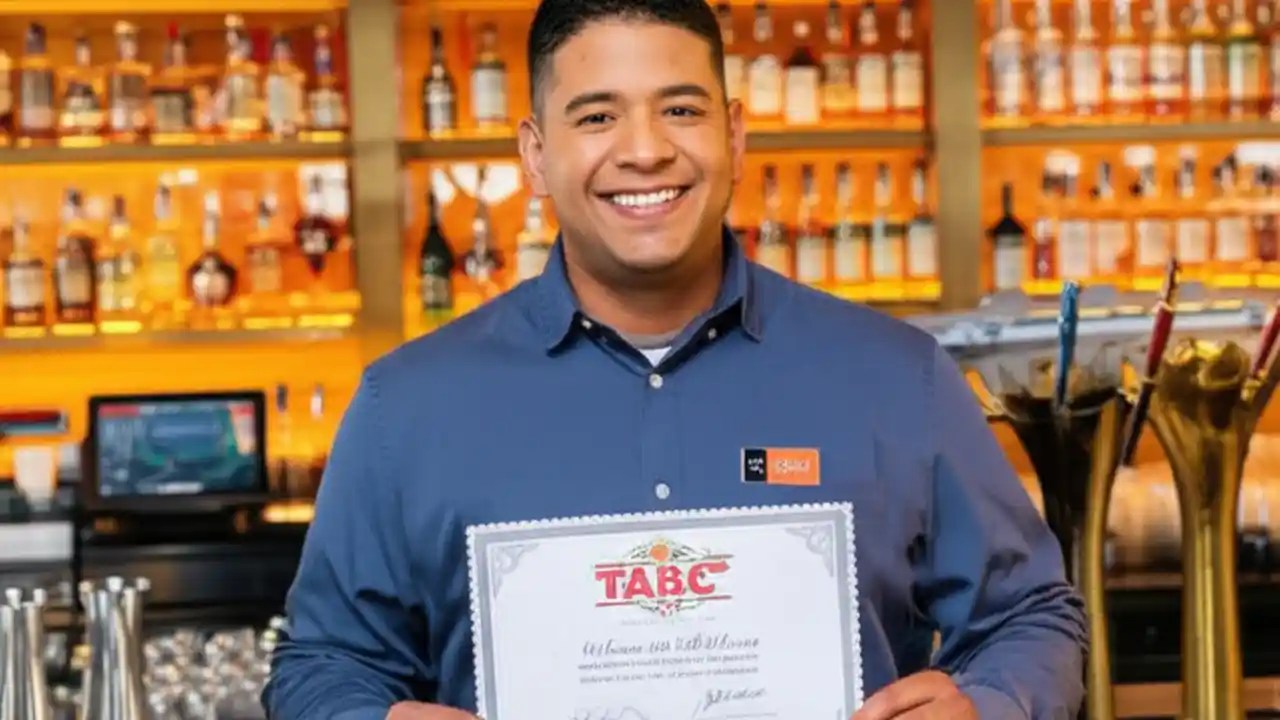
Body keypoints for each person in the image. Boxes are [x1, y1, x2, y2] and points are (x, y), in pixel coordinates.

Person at [262, 1, 1088, 718]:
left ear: (733, 133)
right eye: (596, 117)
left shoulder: (897, 376)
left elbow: (1032, 615)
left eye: (681, 110)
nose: (645, 150)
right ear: (535, 157)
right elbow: (320, 667)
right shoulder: (406, 407)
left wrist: (989, 704)